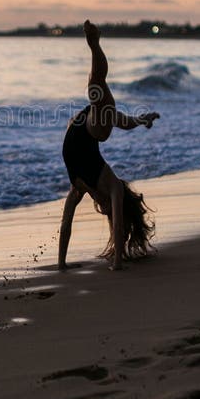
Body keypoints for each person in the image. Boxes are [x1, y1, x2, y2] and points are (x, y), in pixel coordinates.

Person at [58, 20, 159, 271]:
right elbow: (118, 223)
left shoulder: (77, 189)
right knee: (97, 87)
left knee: (100, 95)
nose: (103, 209)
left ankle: (141, 119)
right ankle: (95, 44)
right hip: (89, 126)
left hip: (87, 126)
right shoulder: (113, 186)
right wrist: (117, 264)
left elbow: (65, 224)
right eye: (108, 210)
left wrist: (61, 264)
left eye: (103, 210)